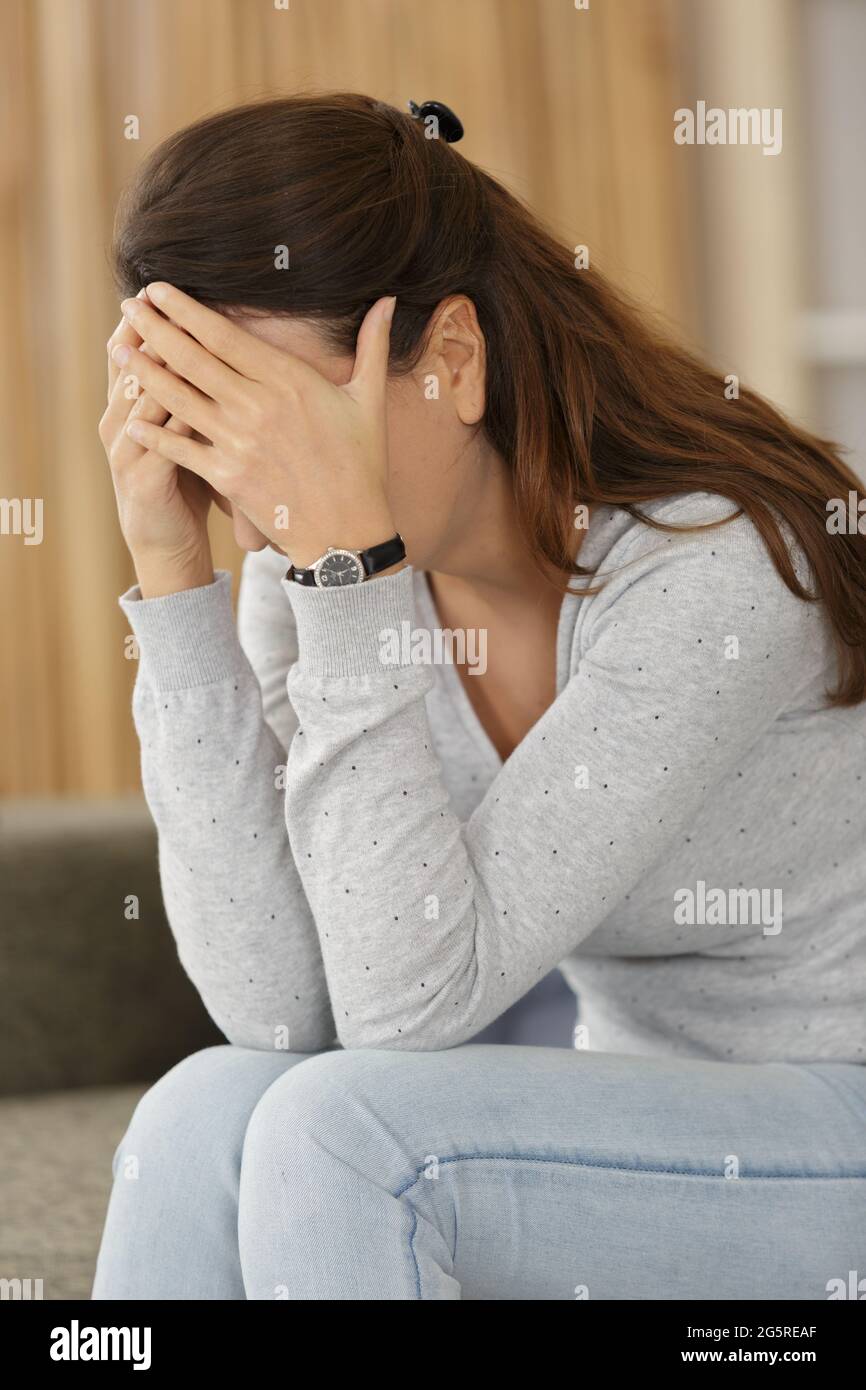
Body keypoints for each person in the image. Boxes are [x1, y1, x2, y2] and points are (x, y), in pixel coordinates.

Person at [93, 94, 866, 1300]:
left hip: (837, 1127)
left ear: (449, 359)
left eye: (273, 415)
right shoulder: (314, 567)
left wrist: (347, 575)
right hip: (630, 1108)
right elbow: (281, 1015)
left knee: (349, 1135)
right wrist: (177, 586)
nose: (243, 479)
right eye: (199, 416)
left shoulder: (715, 566)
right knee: (206, 1105)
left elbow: (405, 1020)